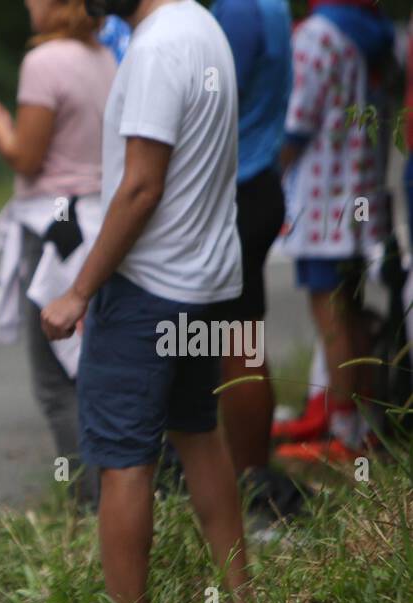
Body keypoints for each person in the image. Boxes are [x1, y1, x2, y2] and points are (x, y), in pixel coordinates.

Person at [42, 0, 248, 603]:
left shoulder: (157, 49)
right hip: (206, 285)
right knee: (199, 434)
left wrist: (79, 289)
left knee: (124, 461)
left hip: (146, 290)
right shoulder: (203, 27)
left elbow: (140, 187)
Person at [0, 0, 116, 510]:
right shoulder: (103, 56)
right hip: (96, 223)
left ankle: (91, 508)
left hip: (55, 226)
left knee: (55, 381)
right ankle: (116, 494)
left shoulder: (44, 61)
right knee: (91, 367)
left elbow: (27, 157)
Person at [276, 0, 394, 461]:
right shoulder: (376, 32)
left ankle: (341, 434)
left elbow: (296, 123)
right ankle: (360, 422)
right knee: (351, 308)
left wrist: (267, 177)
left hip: (323, 201)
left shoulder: (317, 35)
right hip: (361, 192)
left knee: (331, 317)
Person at [208, 0, 302, 521]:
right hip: (253, 183)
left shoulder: (242, 8)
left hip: (239, 188)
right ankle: (244, 476)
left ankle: (250, 484)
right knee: (235, 339)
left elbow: (211, 101)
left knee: (238, 343)